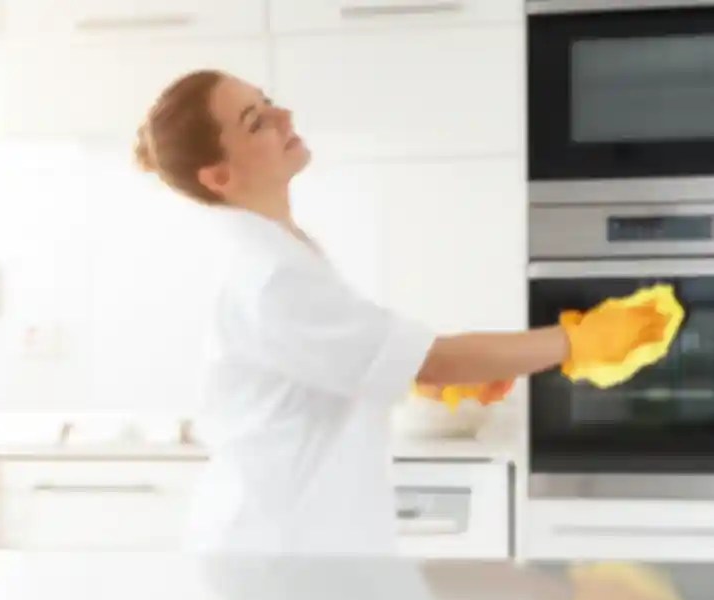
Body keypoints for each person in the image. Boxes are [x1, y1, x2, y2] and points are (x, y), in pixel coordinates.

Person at [134, 70, 663, 555]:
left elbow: (338, 362)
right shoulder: (271, 272)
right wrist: (580, 339)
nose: (284, 118)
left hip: (300, 545)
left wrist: (420, 383)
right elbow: (434, 358)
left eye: (267, 103)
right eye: (256, 122)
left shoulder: (281, 250)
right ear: (219, 177)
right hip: (277, 549)